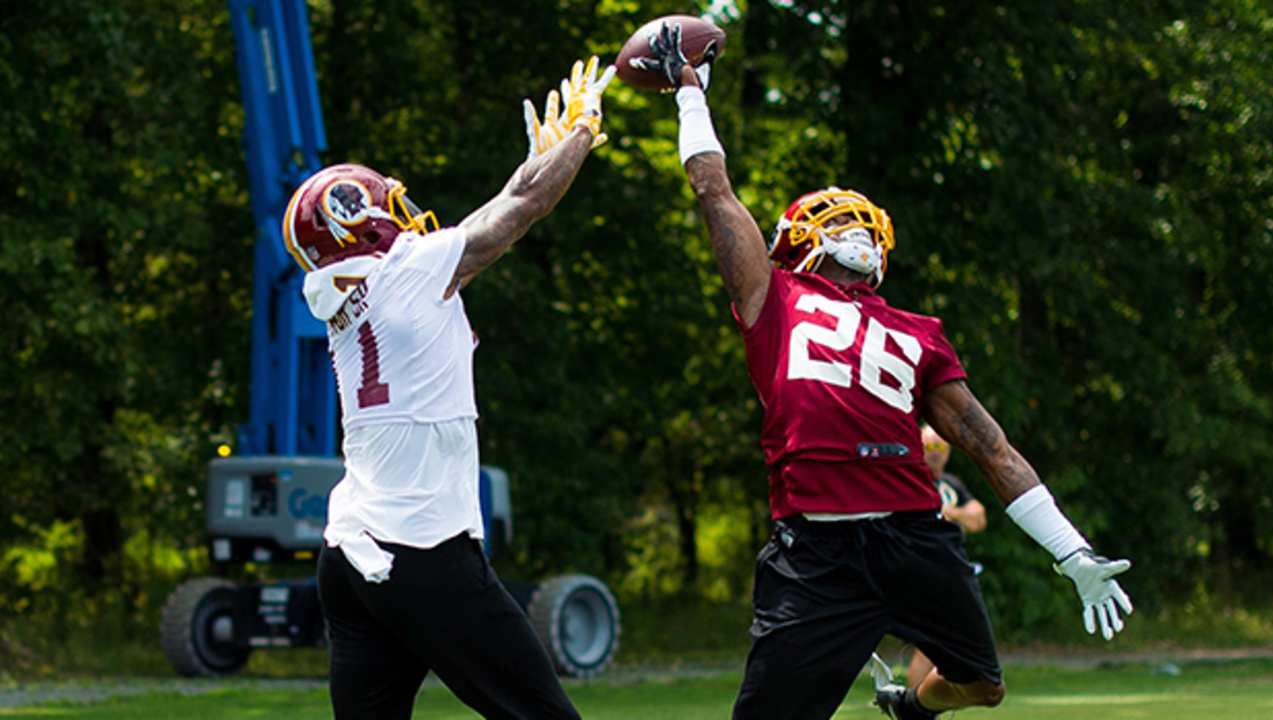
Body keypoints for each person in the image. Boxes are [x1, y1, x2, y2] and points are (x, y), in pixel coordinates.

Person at [638, 22, 1134, 720]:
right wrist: (690, 94)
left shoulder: (916, 331)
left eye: (862, 223)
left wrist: (1073, 551)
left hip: (912, 535)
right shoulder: (771, 298)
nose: (856, 231)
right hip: (816, 550)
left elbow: (990, 448)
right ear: (797, 245)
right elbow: (715, 192)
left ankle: (915, 707)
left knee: (984, 686)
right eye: (836, 220)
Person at [280, 57, 614, 720]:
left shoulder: (347, 295)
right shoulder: (407, 271)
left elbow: (492, 212)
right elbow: (519, 210)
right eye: (384, 204)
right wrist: (579, 135)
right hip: (423, 549)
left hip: (349, 553)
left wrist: (532, 161)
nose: (400, 213)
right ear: (359, 221)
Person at [906, 424, 987, 689]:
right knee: (929, 644)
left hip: (950, 570)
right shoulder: (909, 480)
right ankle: (914, 708)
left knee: (944, 645)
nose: (935, 453)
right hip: (920, 570)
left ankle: (919, 705)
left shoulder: (952, 485)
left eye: (940, 446)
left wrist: (950, 513)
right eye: (929, 446)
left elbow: (978, 519)